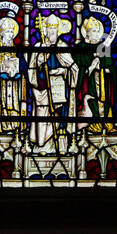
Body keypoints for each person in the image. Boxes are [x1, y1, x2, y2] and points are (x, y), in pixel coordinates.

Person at [27, 14, 78, 151]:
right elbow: (31, 70)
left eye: (54, 31)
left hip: (59, 91)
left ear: (58, 32)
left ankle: (56, 145)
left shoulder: (62, 46)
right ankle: (41, 145)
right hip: (42, 88)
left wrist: (63, 71)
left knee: (59, 116)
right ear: (45, 31)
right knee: (42, 115)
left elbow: (74, 68)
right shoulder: (39, 47)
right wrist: (40, 60)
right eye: (49, 31)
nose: (52, 34)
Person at [74, 16, 116, 126]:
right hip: (88, 84)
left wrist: (103, 66)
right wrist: (90, 68)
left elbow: (110, 65)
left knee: (104, 102)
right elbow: (76, 70)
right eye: (94, 31)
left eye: (98, 31)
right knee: (91, 100)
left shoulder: (104, 47)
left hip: (103, 82)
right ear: (87, 33)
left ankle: (106, 123)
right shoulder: (80, 48)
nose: (97, 34)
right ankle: (92, 124)